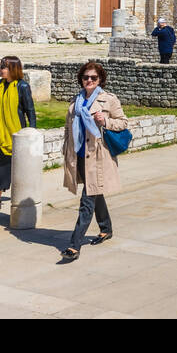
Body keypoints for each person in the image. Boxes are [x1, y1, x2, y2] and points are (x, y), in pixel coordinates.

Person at [61, 61, 128, 262]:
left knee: (87, 201)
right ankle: (106, 228)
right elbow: (68, 129)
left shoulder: (109, 100)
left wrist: (105, 121)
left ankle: (74, 245)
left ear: (100, 80)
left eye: (93, 78)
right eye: (85, 77)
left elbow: (124, 123)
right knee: (95, 193)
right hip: (79, 156)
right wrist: (66, 149)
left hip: (98, 158)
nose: (89, 81)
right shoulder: (76, 101)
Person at [0, 56, 37, 215]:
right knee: (1, 167)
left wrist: (32, 133)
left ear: (13, 69)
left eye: (4, 67)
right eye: (1, 66)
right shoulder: (0, 84)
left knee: (19, 170)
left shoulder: (22, 86)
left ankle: (23, 199)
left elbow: (30, 111)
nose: (1, 70)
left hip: (16, 136)